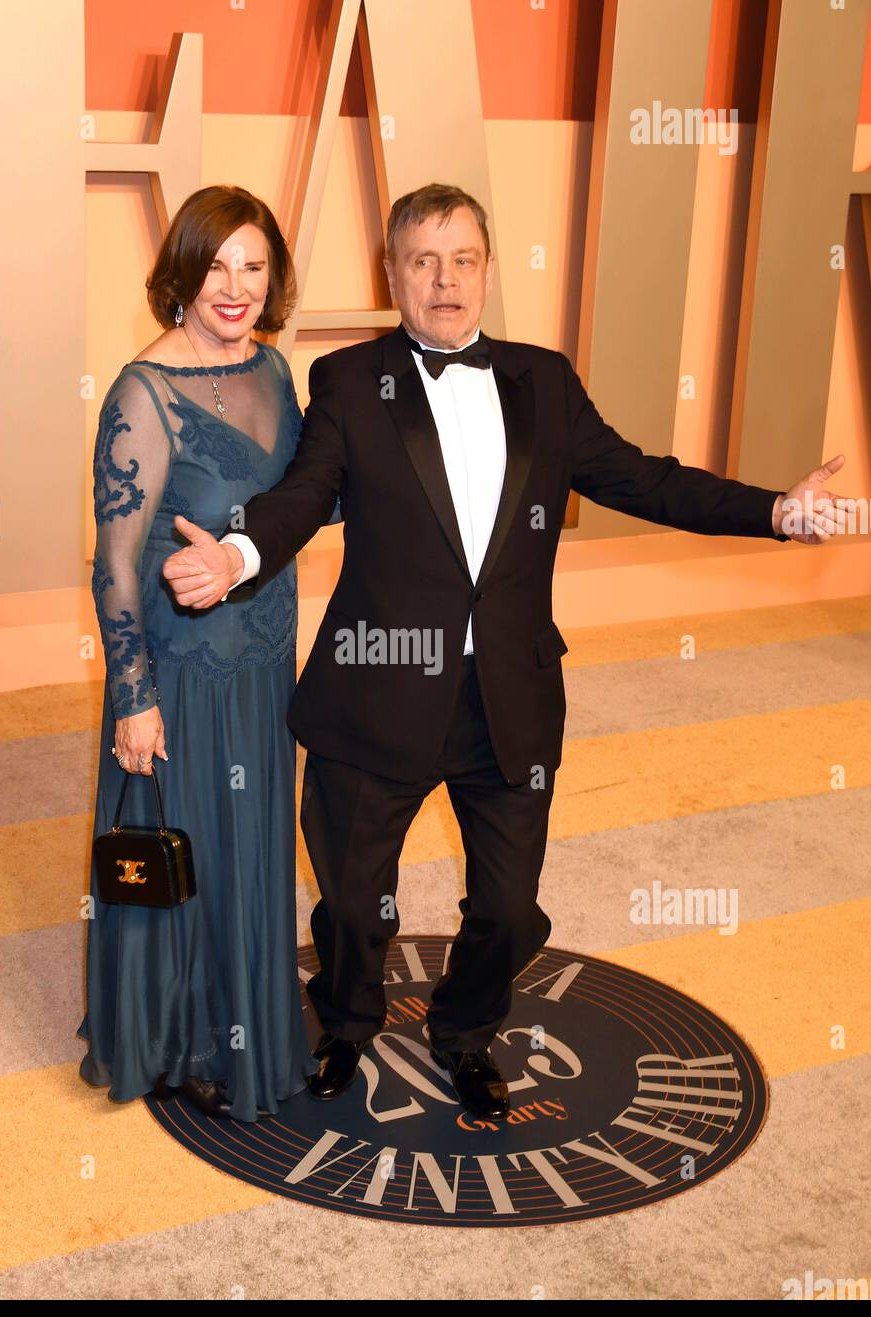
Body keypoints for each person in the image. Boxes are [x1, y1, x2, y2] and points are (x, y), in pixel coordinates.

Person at [161, 182, 857, 1121]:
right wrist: (239, 552)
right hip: (376, 692)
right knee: (354, 902)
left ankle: (465, 1034)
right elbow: (303, 491)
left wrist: (774, 510)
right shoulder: (349, 381)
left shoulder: (543, 379)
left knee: (506, 908)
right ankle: (346, 1023)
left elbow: (644, 479)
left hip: (508, 696)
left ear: (487, 270)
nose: (444, 281)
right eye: (422, 260)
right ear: (392, 275)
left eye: (462, 259)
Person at [78, 184, 322, 1121]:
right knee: (185, 850)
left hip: (263, 657)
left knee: (250, 843)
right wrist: (133, 695)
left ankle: (242, 1018)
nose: (236, 287)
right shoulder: (144, 392)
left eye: (254, 267)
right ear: (183, 273)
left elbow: (303, 500)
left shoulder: (273, 371)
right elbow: (115, 561)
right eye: (218, 265)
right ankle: (174, 1036)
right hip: (179, 671)